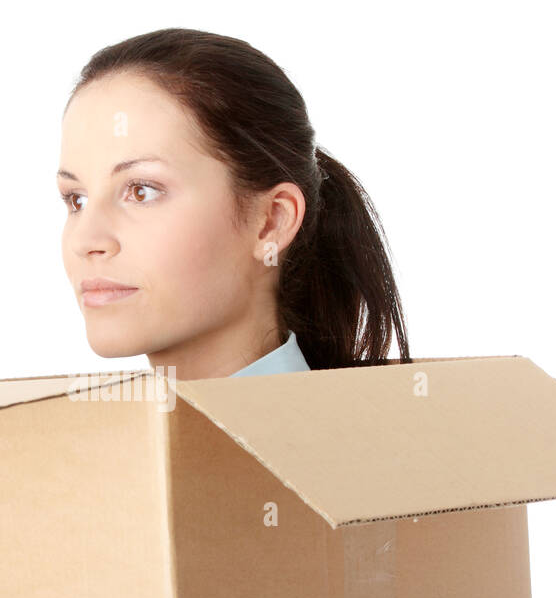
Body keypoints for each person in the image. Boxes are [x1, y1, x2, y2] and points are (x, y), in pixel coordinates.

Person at [57, 27, 412, 382]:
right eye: (77, 200)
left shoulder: (346, 434)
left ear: (272, 221)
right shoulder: (86, 433)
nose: (85, 240)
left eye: (141, 191)